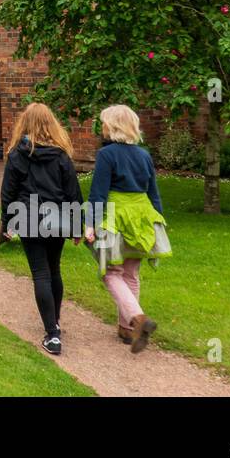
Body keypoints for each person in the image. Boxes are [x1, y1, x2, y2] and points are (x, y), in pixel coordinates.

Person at [84, 104, 171, 354]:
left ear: (112, 126)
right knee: (131, 272)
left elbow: (98, 193)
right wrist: (158, 222)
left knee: (111, 273)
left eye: (103, 122)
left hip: (116, 215)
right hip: (142, 216)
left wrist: (90, 223)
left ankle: (137, 318)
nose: (101, 126)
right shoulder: (144, 155)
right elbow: (153, 193)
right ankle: (126, 329)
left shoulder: (107, 154)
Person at [0, 102, 83, 356]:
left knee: (41, 274)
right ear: (51, 124)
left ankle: (52, 333)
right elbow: (73, 194)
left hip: (29, 216)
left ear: (24, 124)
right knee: (53, 270)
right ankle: (54, 322)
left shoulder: (17, 155)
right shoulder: (60, 156)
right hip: (56, 217)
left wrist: (7, 221)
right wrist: (77, 226)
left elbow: (8, 193)